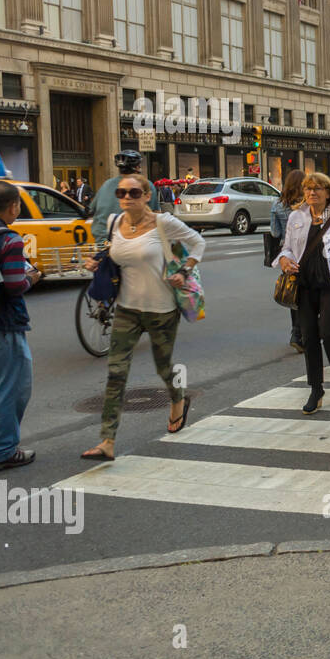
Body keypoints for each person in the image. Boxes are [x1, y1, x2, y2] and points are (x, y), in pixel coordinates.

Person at [81, 175, 205, 460]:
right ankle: (107, 441)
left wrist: (183, 271)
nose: (126, 196)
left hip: (161, 310)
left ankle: (177, 398)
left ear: (147, 195)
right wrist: (98, 261)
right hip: (126, 309)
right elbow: (115, 253)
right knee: (116, 373)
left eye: (133, 192)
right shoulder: (115, 222)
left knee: (164, 368)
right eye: (122, 192)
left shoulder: (163, 223)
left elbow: (198, 244)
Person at [278, 172, 330, 415]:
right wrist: (284, 260)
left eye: (317, 189)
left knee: (328, 330)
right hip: (304, 284)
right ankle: (316, 389)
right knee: (309, 337)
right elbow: (287, 248)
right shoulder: (296, 217)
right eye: (308, 189)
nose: (311, 193)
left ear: (328, 193)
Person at [0, 182, 40, 472]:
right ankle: (1, 451)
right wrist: (33, 277)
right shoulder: (10, 240)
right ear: (13, 206)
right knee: (11, 386)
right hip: (2, 323)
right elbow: (15, 286)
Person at [88, 151, 158, 243]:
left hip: (102, 241)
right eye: (121, 193)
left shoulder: (106, 184)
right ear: (137, 167)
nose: (126, 198)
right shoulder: (145, 184)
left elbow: (90, 210)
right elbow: (154, 214)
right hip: (129, 240)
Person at [271, 169, 306, 352]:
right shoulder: (305, 204)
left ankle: (296, 331)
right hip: (302, 250)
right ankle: (300, 333)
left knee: (292, 292)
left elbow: (274, 232)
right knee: (305, 294)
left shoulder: (277, 204)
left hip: (286, 255)